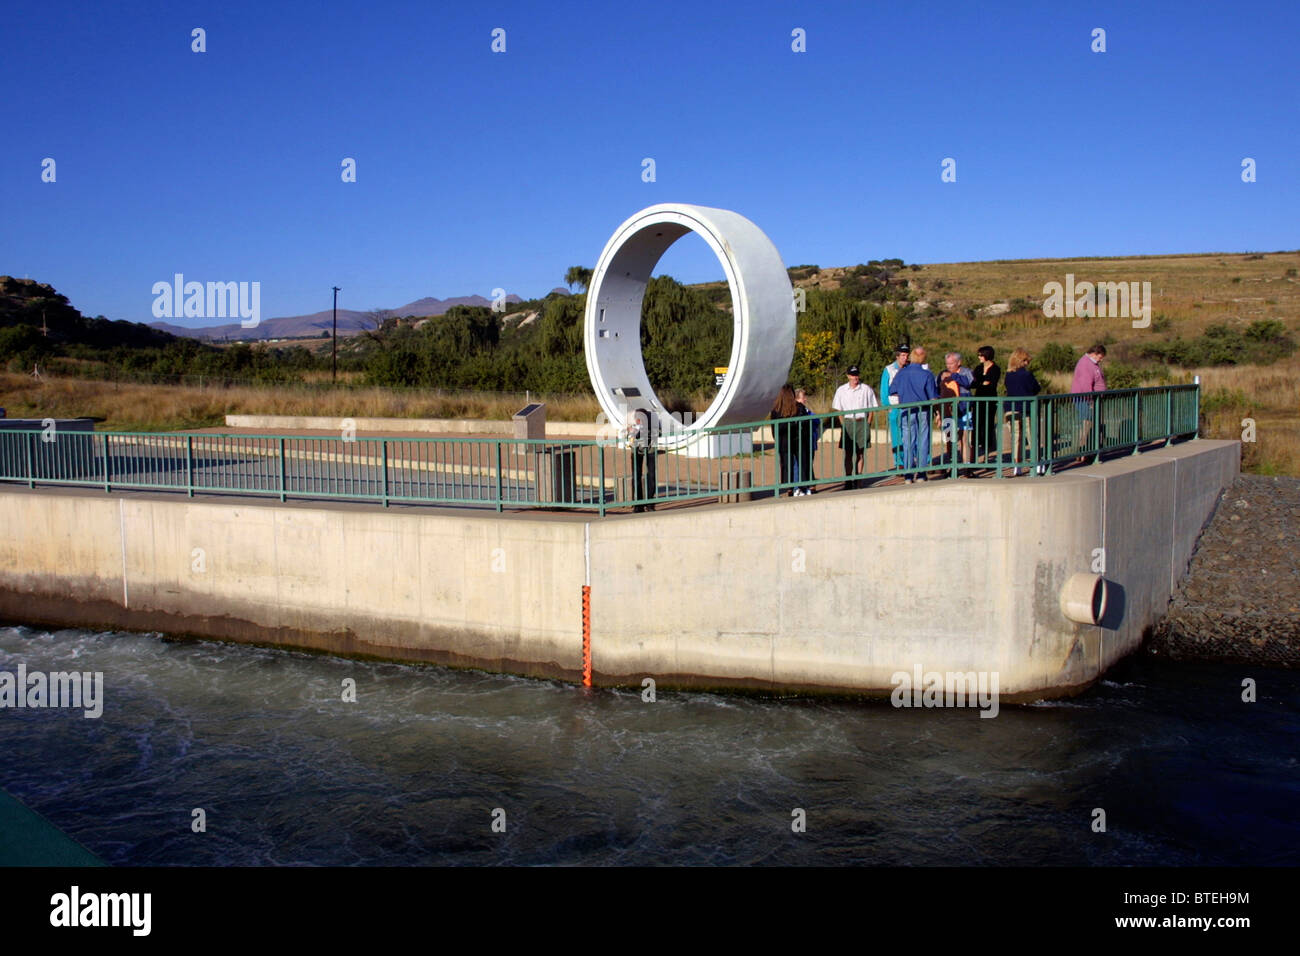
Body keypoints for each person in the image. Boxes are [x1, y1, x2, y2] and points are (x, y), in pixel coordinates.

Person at [889, 354, 939, 482]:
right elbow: (933, 396)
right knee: (923, 441)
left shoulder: (901, 373)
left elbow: (892, 390)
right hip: (923, 410)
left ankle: (908, 475)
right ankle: (921, 474)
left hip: (906, 409)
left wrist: (904, 393)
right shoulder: (927, 374)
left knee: (907, 442)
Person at [831, 365, 877, 490]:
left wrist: (868, 423)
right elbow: (838, 409)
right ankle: (848, 479)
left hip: (862, 422)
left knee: (860, 453)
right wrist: (843, 424)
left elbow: (872, 408)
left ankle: (858, 478)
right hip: (848, 422)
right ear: (848, 376)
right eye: (852, 375)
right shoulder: (841, 390)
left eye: (856, 374)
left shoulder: (866, 389)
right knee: (848, 453)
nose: (855, 377)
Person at [1003, 348, 1041, 476]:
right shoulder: (1026, 375)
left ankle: (1016, 465)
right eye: (1025, 361)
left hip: (1010, 408)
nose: (1027, 363)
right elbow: (1035, 388)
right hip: (1026, 408)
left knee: (1016, 436)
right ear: (1021, 361)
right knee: (1031, 435)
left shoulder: (1008, 375)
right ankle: (1036, 462)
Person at [936, 352, 974, 470]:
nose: (949, 366)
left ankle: (966, 465)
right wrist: (938, 413)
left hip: (964, 409)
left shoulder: (966, 372)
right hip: (947, 410)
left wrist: (953, 376)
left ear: (959, 362)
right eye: (947, 364)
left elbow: (969, 383)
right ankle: (951, 466)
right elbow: (937, 391)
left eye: (951, 363)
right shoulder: (942, 374)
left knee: (965, 437)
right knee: (950, 438)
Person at [1070, 344, 1107, 461]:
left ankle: (1086, 451)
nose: (1101, 359)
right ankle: (1081, 451)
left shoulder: (1093, 364)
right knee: (1086, 425)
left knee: (1090, 425)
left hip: (1091, 400)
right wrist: (1090, 400)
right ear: (1095, 354)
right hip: (1085, 400)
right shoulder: (1086, 364)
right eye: (1100, 357)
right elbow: (1086, 384)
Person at [880, 345, 911, 470]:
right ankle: (899, 462)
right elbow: (884, 391)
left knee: (910, 434)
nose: (905, 358)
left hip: (908, 406)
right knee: (897, 436)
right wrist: (888, 406)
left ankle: (912, 459)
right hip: (895, 407)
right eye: (903, 355)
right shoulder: (889, 369)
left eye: (907, 355)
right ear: (897, 356)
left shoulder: (910, 368)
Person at [769, 385, 802, 496]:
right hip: (796, 441)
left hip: (783, 442)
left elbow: (774, 429)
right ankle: (797, 486)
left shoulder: (776, 410)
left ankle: (788, 487)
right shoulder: (798, 408)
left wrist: (777, 438)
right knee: (796, 464)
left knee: (785, 465)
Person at [623, 406, 657, 512]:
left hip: (650, 448)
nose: (639, 421)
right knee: (636, 476)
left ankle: (650, 503)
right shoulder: (630, 419)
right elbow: (624, 433)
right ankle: (638, 504)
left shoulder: (653, 420)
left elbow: (659, 432)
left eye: (641, 419)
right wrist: (629, 432)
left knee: (651, 475)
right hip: (635, 450)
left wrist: (648, 431)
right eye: (637, 419)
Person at [970, 345, 1001, 464]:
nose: (979, 357)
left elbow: (991, 384)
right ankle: (974, 458)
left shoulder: (995, 368)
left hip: (990, 401)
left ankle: (986, 457)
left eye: (981, 355)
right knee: (976, 427)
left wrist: (981, 382)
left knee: (988, 427)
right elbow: (974, 383)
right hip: (978, 401)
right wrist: (983, 383)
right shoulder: (978, 368)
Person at [793, 387, 821, 492]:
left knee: (808, 463)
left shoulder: (807, 411)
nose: (805, 399)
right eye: (803, 397)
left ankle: (808, 485)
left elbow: (816, 420)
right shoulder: (796, 411)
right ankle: (798, 487)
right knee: (798, 464)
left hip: (810, 442)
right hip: (801, 443)